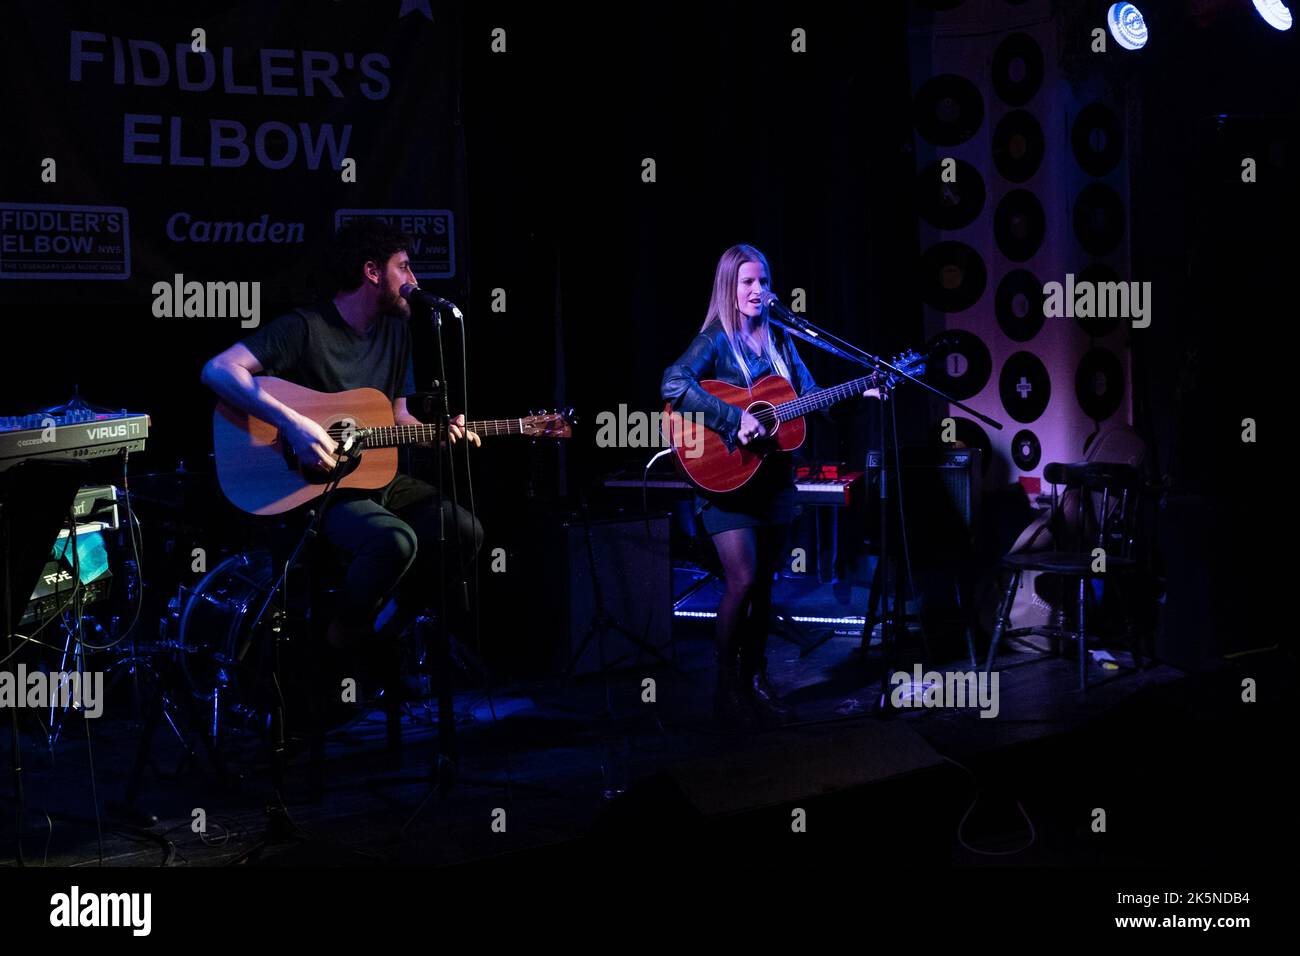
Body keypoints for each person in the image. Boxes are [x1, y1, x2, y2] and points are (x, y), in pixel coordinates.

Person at [200, 220, 484, 654]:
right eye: (404, 267)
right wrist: (295, 424)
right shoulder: (305, 328)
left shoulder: (396, 331)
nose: (414, 281)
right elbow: (219, 370)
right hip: (317, 489)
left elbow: (396, 418)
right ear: (372, 272)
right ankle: (343, 634)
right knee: (395, 540)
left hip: (374, 477)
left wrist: (438, 437)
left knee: (462, 530)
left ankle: (387, 627)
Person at [661, 244, 877, 727]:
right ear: (730, 289)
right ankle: (726, 686)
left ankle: (756, 679)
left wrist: (859, 392)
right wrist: (733, 416)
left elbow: (814, 400)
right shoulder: (715, 341)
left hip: (772, 482)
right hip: (725, 482)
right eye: (747, 283)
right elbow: (673, 384)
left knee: (763, 586)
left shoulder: (781, 342)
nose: (758, 291)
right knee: (741, 580)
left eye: (763, 281)